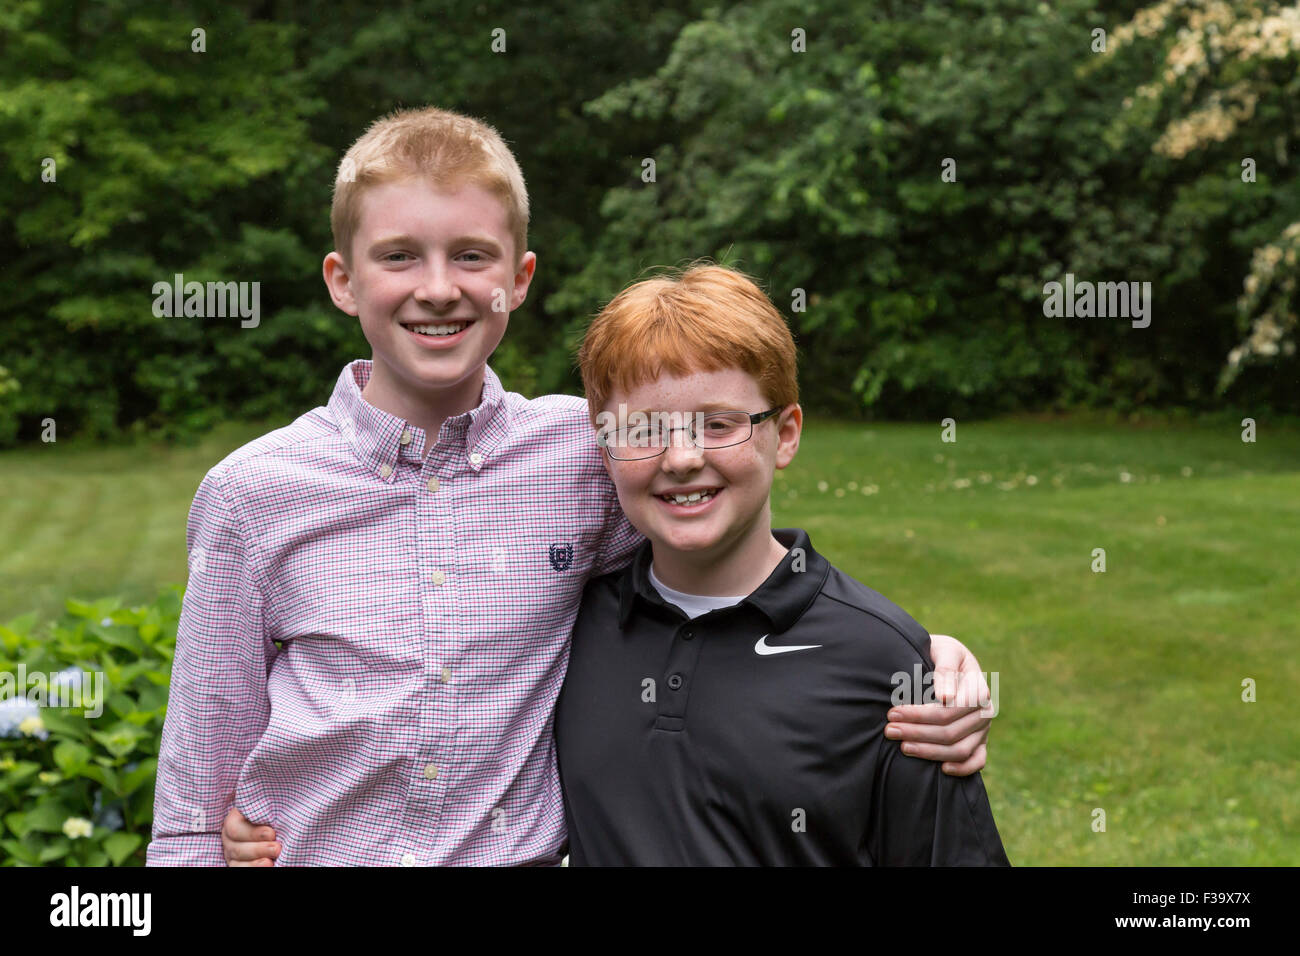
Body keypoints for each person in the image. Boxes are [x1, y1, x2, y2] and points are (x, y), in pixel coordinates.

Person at [150, 105, 993, 867]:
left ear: (518, 279)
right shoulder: (253, 496)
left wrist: (931, 660)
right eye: (400, 257)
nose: (438, 288)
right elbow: (193, 806)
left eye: (471, 256)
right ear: (342, 280)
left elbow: (728, 546)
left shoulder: (577, 460)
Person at [553, 264, 1009, 864]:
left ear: (786, 434)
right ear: (604, 447)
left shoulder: (887, 665)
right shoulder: (562, 626)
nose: (682, 458)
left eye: (719, 424)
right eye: (642, 429)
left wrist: (917, 652)